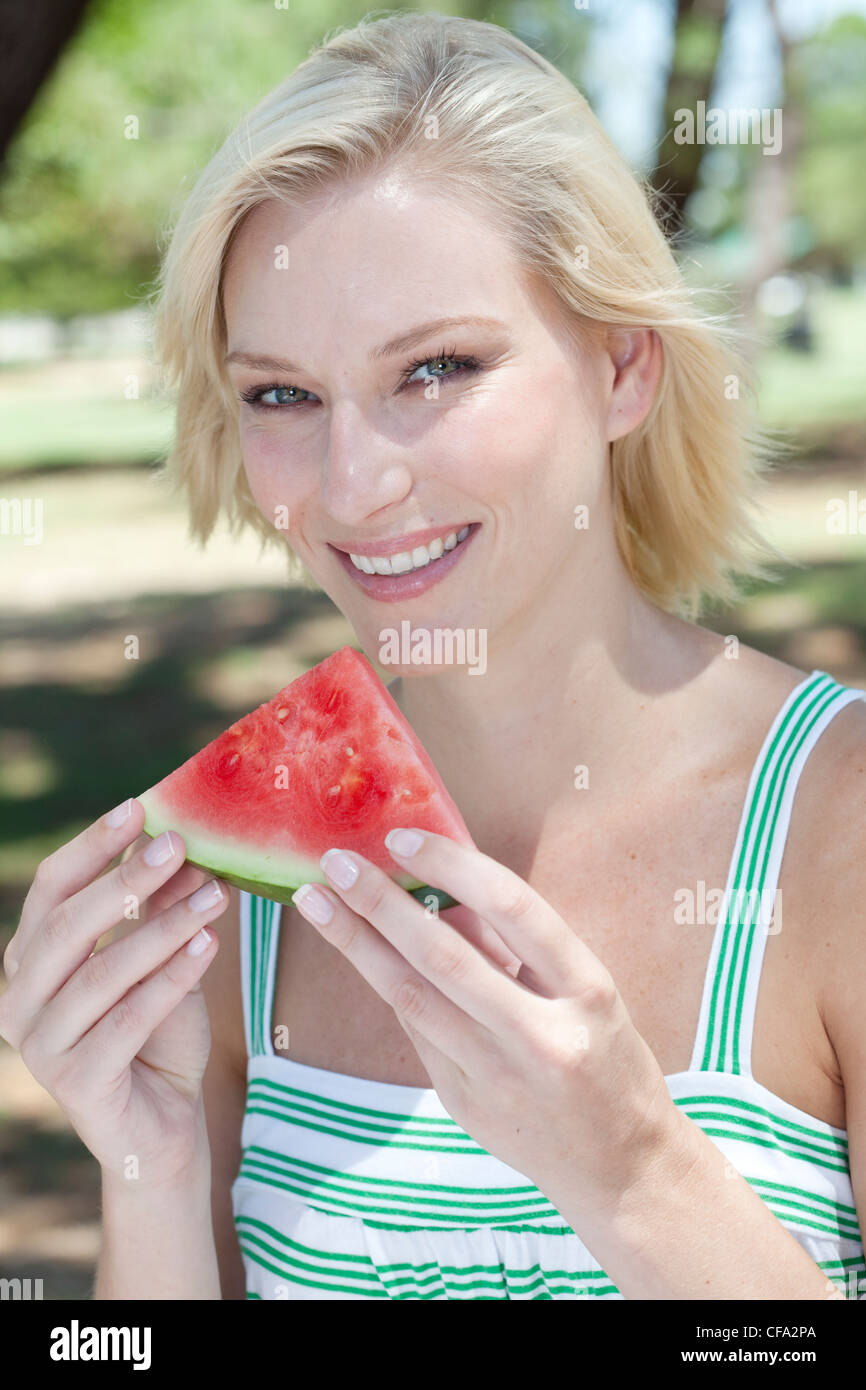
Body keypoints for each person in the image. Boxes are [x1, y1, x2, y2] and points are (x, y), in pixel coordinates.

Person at [2, 11, 864, 1302]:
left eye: (436, 368)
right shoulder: (234, 894)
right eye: (282, 394)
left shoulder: (837, 826)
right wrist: (152, 1170)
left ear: (622, 366)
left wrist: (630, 1170)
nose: (356, 485)